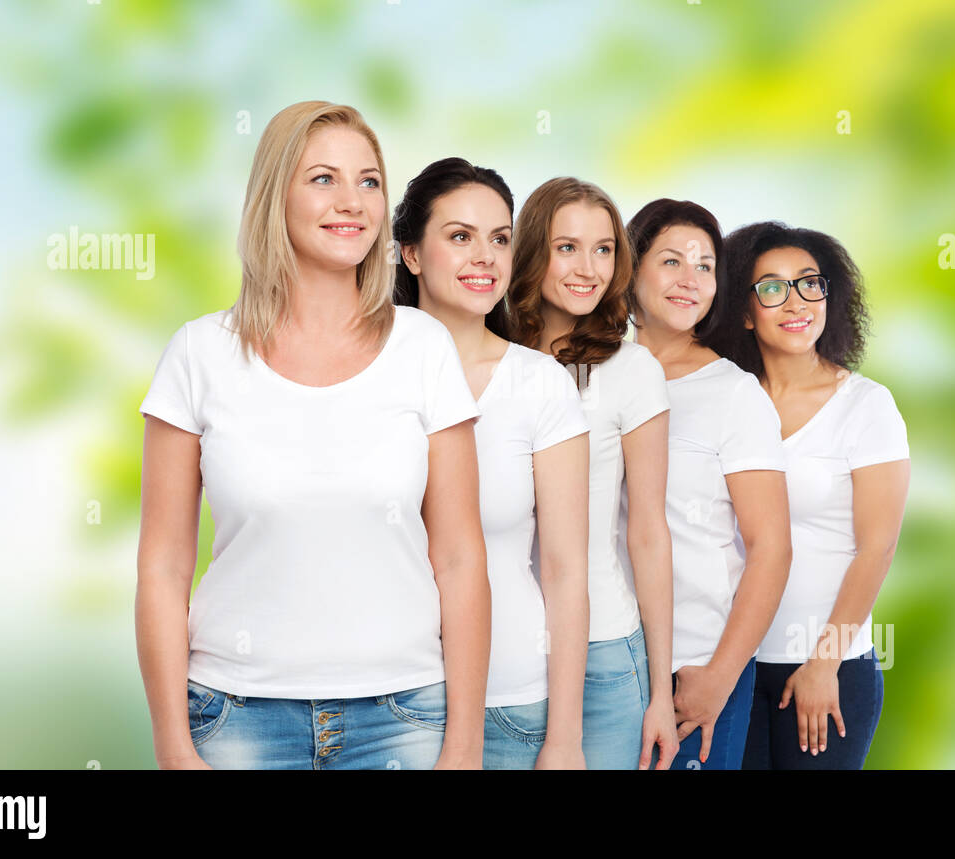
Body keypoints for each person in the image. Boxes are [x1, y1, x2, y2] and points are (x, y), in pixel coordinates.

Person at [135, 101, 490, 770]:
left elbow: (461, 558)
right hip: (235, 717)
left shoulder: (425, 348)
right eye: (323, 178)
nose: (351, 201)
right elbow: (162, 566)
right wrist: (173, 746)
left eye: (370, 180)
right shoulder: (198, 355)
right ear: (277, 196)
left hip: (403, 718)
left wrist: (465, 744)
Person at [394, 157, 590, 769]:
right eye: (460, 237)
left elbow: (564, 570)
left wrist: (564, 738)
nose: (485, 256)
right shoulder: (365, 372)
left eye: (499, 239)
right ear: (411, 255)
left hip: (510, 704)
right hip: (380, 703)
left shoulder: (540, 385)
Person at [491, 177, 679, 768]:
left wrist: (661, 694)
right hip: (495, 649)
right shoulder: (486, 358)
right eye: (567, 246)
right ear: (531, 252)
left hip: (601, 654)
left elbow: (647, 532)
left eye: (604, 249)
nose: (588, 267)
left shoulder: (633, 370)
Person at [711, 221, 910, 769]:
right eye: (772, 288)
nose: (795, 301)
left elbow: (878, 547)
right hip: (733, 667)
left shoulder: (866, 406)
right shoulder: (728, 402)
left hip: (826, 668)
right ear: (744, 312)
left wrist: (825, 663)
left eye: (809, 283)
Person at [625, 199, 792, 770]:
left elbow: (771, 548)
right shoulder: (590, 372)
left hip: (694, 667)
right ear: (631, 266)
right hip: (603, 661)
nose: (689, 280)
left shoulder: (734, 394)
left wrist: (720, 677)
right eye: (671, 261)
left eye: (705, 266)